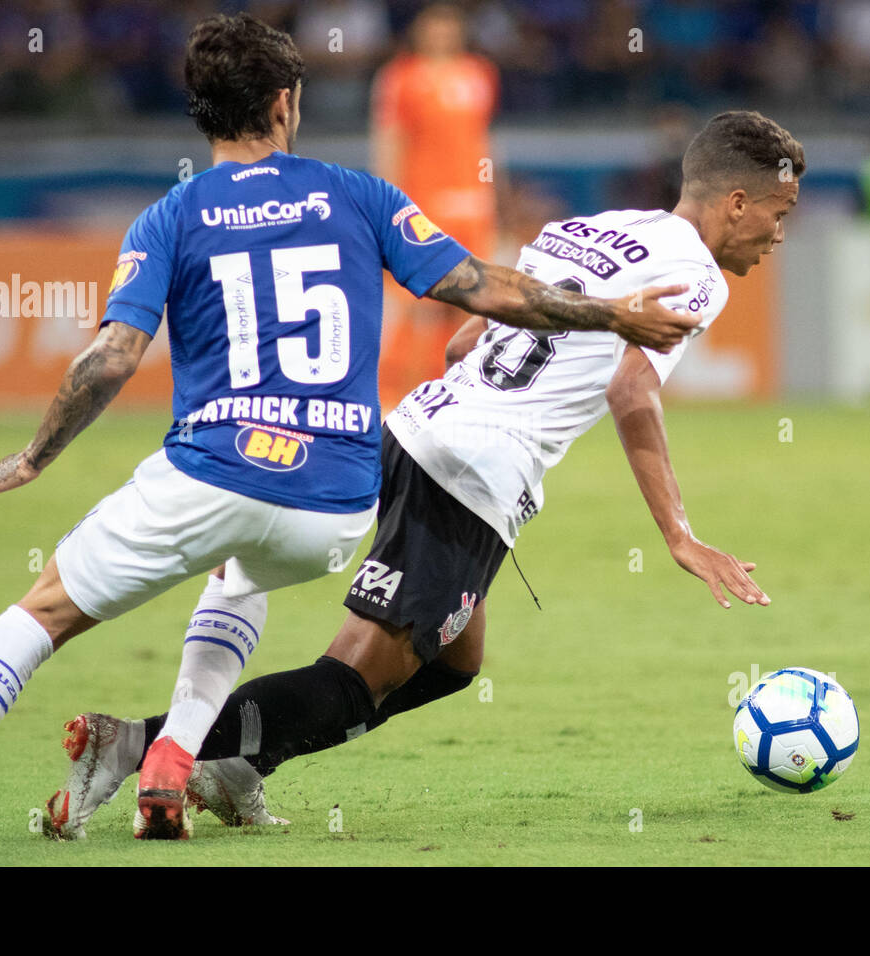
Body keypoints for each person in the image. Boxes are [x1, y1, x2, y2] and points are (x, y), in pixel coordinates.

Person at [0, 13, 696, 850]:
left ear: (199, 111)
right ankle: (172, 755)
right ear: (286, 102)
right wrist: (614, 313)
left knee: (41, 613)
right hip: (334, 505)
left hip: (213, 470)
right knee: (240, 573)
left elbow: (109, 359)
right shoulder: (359, 194)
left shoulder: (172, 217)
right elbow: (485, 288)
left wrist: (31, 458)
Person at [41, 110, 804, 840]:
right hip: (472, 473)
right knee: (356, 677)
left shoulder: (586, 228)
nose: (780, 231)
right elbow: (631, 391)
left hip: (415, 428)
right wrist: (679, 534)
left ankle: (242, 766)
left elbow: (464, 341)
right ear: (736, 202)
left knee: (456, 661)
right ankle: (131, 746)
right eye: (779, 210)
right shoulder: (699, 276)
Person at [371, 3, 501, 404]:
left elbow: (485, 139)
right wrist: (387, 203)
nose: (442, 32)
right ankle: (401, 396)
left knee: (476, 301)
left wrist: (493, 194)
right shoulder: (399, 77)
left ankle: (465, 395)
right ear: (420, 30)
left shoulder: (480, 73)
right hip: (425, 205)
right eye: (435, 24)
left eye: (450, 24)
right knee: (421, 306)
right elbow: (390, 141)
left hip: (473, 205)